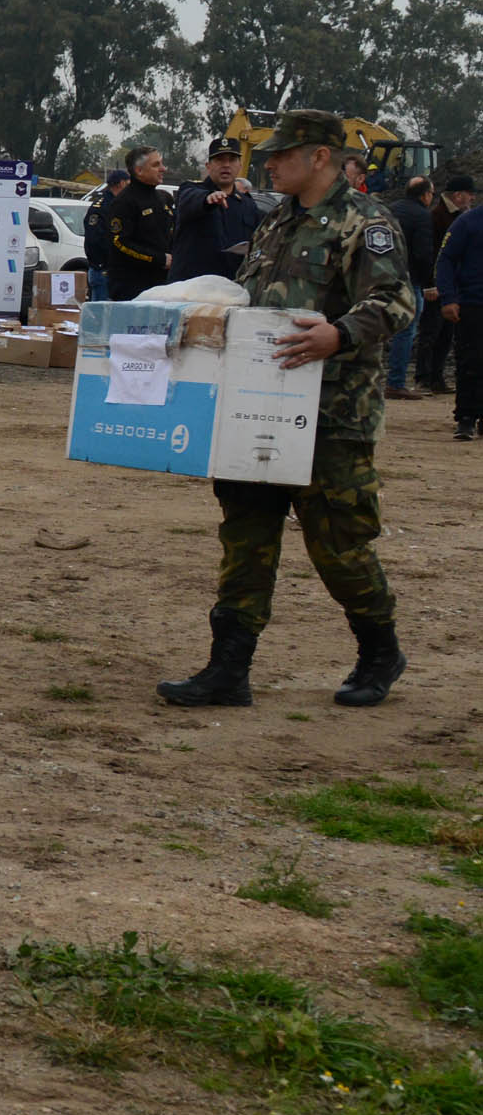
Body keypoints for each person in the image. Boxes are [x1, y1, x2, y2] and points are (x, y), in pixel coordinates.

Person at [157, 110, 415, 712]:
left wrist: (341, 333)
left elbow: (397, 302)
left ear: (320, 156)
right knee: (246, 532)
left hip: (332, 413)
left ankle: (380, 651)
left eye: (281, 155)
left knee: (339, 543)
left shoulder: (366, 222)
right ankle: (228, 669)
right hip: (256, 407)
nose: (267, 163)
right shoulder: (276, 221)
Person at [168, 136, 262, 284]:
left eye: (231, 160)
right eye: (219, 160)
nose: (226, 165)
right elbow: (191, 200)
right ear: (208, 166)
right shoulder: (191, 190)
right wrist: (208, 199)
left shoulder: (248, 205)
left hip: (230, 288)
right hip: (191, 289)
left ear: (240, 165)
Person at [438, 174, 483, 442]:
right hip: (472, 305)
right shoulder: (468, 222)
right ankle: (466, 418)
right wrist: (448, 298)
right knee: (471, 362)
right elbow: (445, 260)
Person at [384, 174, 438, 400]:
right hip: (409, 279)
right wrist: (429, 284)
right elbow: (423, 254)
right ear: (425, 195)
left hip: (382, 275)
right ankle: (396, 382)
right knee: (406, 330)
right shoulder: (423, 217)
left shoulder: (389, 209)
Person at [105, 146, 174, 301]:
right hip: (131, 287)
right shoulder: (124, 202)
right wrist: (159, 259)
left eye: (162, 164)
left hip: (160, 284)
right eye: (156, 165)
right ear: (139, 171)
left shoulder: (161, 198)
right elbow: (120, 242)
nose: (163, 169)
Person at [416, 176, 461, 393]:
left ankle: (436, 376)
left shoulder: (456, 217)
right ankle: (425, 376)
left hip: (450, 284)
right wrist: (430, 283)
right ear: (458, 195)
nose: (473, 197)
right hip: (438, 284)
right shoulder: (436, 217)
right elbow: (431, 253)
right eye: (469, 194)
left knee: (445, 334)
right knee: (431, 332)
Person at [83, 167, 126, 302]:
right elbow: (94, 239)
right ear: (121, 184)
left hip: (113, 270)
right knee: (99, 316)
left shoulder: (116, 204)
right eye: (128, 184)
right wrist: (103, 263)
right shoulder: (101, 207)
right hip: (103, 270)